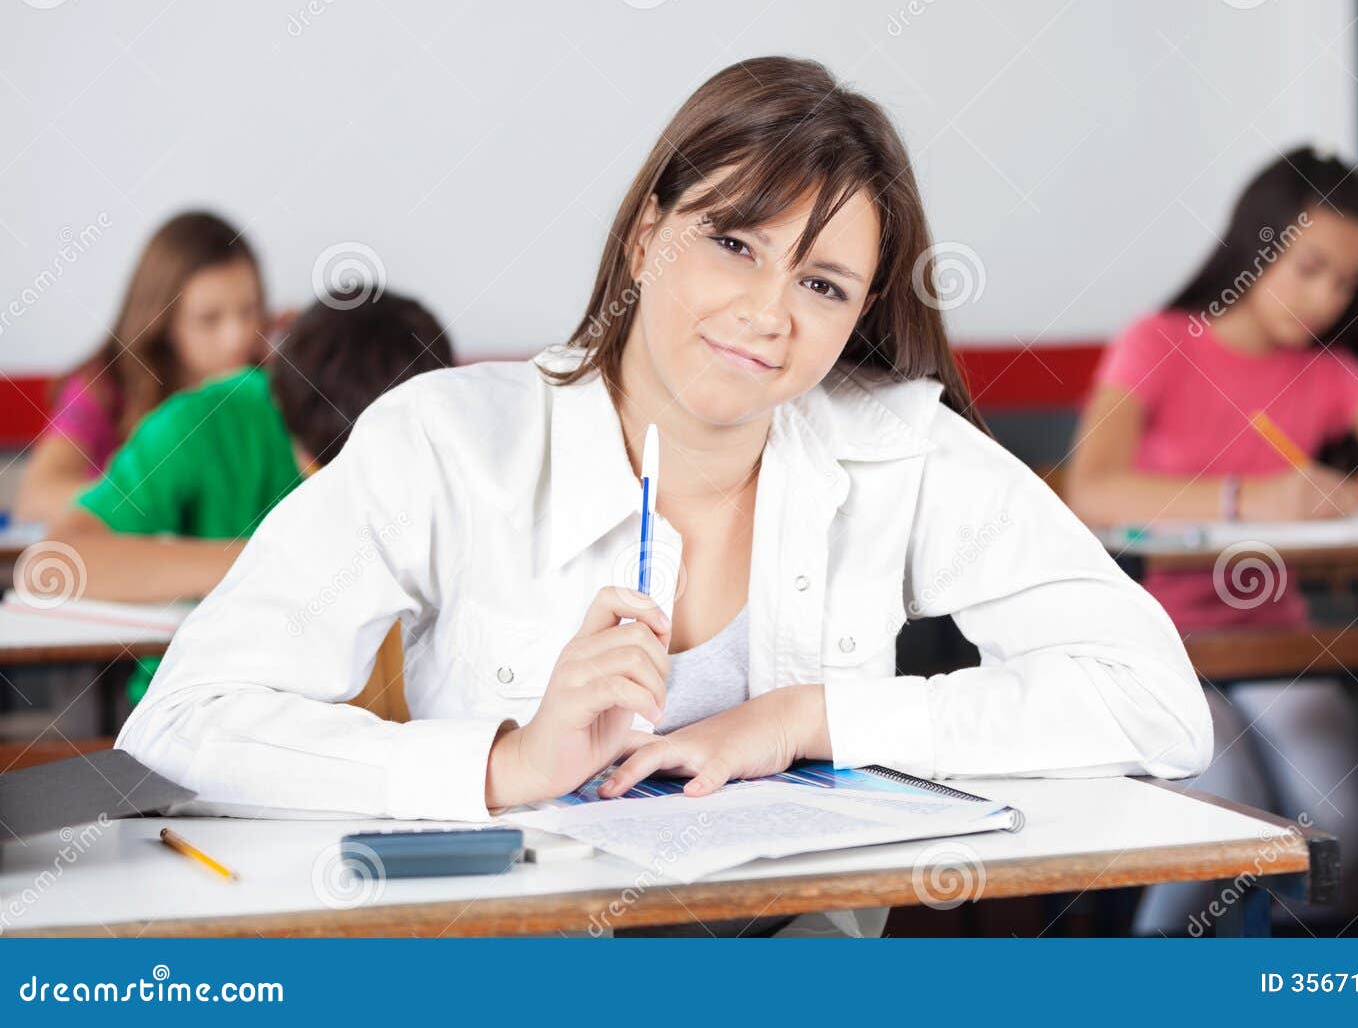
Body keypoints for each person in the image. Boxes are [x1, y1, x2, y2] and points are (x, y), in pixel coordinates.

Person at [117, 56, 1211, 938]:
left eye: (821, 282)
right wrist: (504, 761)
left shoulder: (900, 448)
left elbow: (1156, 702)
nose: (767, 312)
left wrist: (803, 718)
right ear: (647, 236)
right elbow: (182, 722)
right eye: (734, 242)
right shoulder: (449, 439)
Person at [1065, 147, 1358, 931]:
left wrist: (1343, 491)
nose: (1326, 297)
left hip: (1273, 641)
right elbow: (1090, 486)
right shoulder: (1158, 342)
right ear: (1258, 245)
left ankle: (1276, 979)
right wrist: (1250, 498)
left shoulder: (1329, 375)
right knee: (1235, 819)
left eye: (1345, 280)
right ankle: (1151, 969)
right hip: (1155, 646)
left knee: (1348, 838)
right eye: (1310, 267)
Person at [39, 292, 453, 702]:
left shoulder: (448, 438)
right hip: (208, 714)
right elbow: (53, 561)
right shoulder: (203, 423)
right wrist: (271, 561)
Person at [15, 211, 267, 524]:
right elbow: (36, 497)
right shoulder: (103, 387)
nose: (237, 337)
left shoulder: (270, 380)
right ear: (162, 320)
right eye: (209, 319)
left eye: (249, 310)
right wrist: (150, 495)